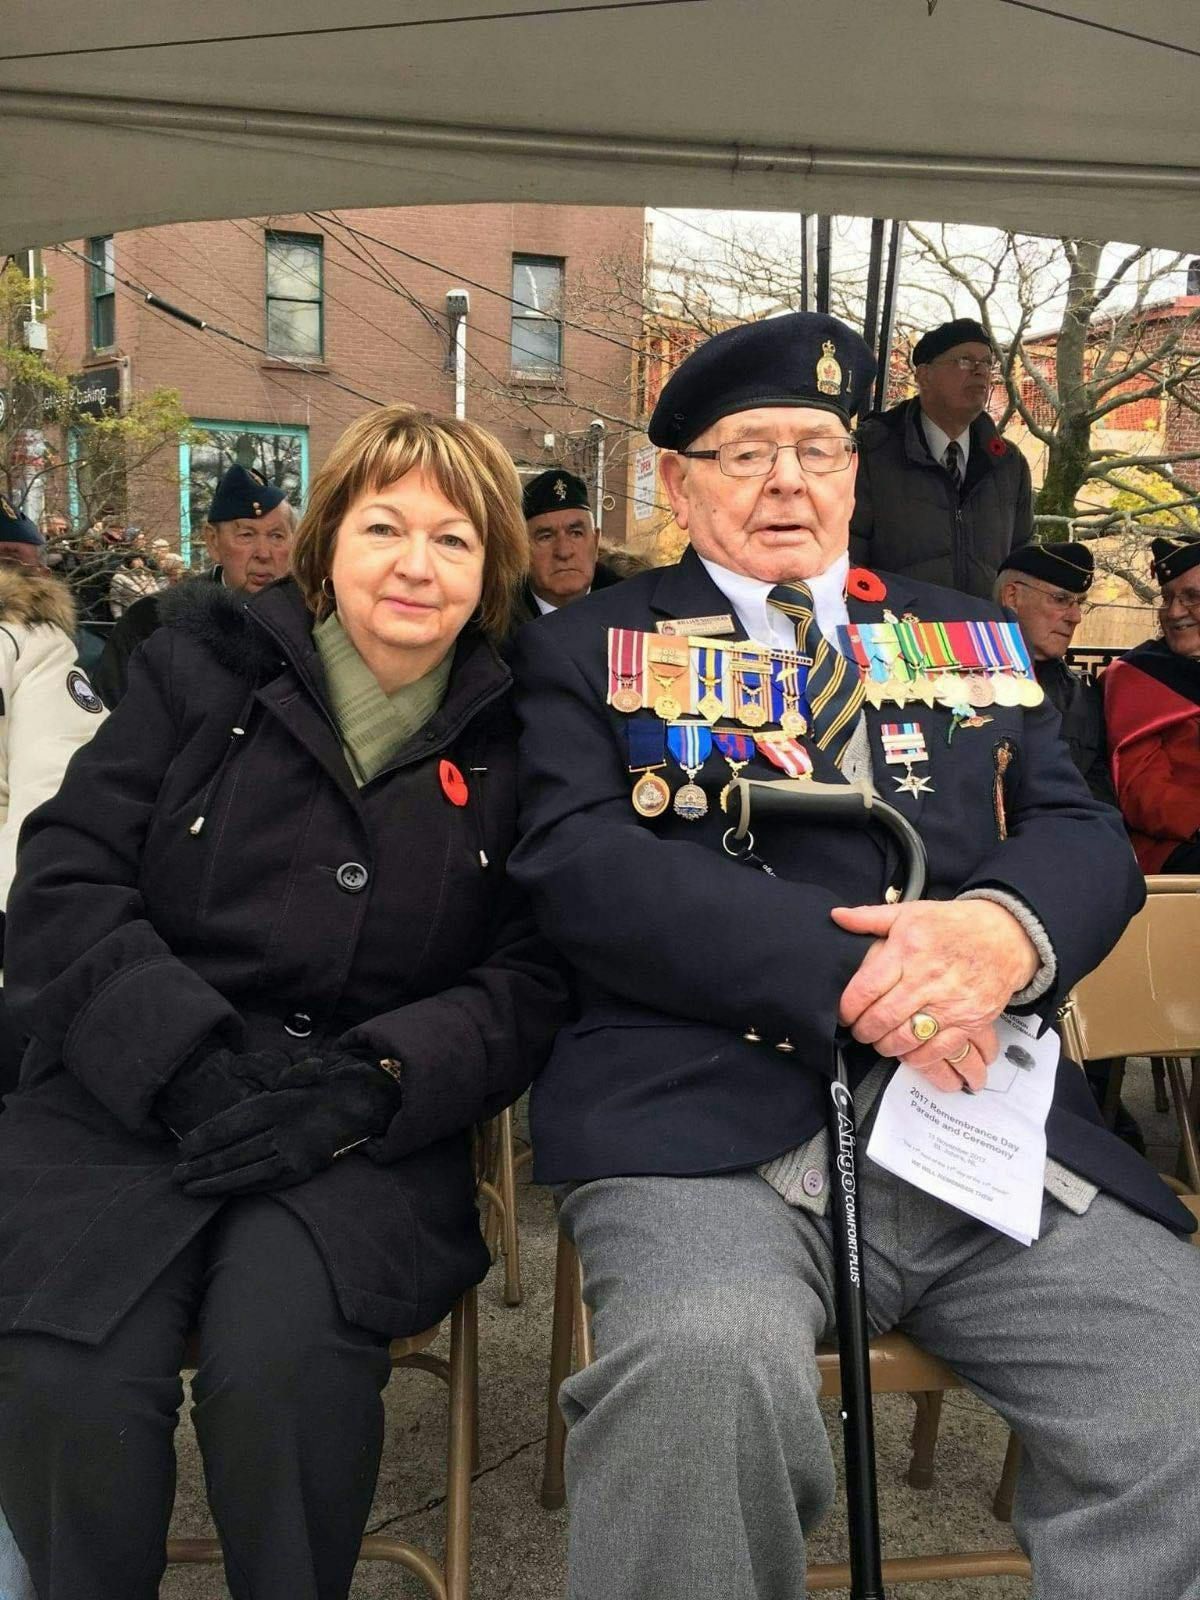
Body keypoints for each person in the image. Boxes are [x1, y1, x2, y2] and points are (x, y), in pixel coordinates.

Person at [510, 312, 1200, 1600]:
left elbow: (1085, 833)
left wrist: (997, 938)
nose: (788, 482)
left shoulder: (964, 634)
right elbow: (582, 866)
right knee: (697, 1376)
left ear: (852, 471)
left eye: (818, 450)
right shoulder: (585, 648)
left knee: (1186, 1380)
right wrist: (885, 981)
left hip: (971, 1119)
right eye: (747, 452)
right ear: (677, 482)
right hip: (709, 1128)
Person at [0, 405, 566, 1600]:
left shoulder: (525, 732)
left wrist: (380, 1081)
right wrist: (173, 1054)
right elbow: (65, 875)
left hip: (350, 1124)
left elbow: (531, 975)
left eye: (454, 539)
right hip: (124, 1091)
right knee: (70, 1376)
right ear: (324, 548)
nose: (416, 563)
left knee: (282, 1372)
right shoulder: (194, 665)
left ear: (491, 571)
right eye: (384, 526)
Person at [850, 317, 1033, 598]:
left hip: (983, 635)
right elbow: (849, 559)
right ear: (924, 375)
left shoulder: (1008, 465)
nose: (980, 371)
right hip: (898, 634)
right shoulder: (872, 453)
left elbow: (1021, 570)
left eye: (987, 363)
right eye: (964, 360)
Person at [93, 464, 296, 708]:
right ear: (213, 542)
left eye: (277, 536)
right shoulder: (151, 622)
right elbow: (110, 720)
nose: (264, 553)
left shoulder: (311, 622)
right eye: (247, 535)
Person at [1105, 534, 1200, 874]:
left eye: (1191, 598)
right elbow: (1142, 792)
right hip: (1175, 843)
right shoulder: (1139, 676)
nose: (1174, 612)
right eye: (1168, 598)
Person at [996, 540, 1116, 805]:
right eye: (1061, 599)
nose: (1075, 617)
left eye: (1079, 603)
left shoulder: (1083, 695)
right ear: (1012, 597)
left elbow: (1098, 792)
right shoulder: (964, 681)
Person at [517, 468, 623, 621]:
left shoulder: (636, 615)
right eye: (546, 537)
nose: (564, 552)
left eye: (576, 533)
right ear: (522, 549)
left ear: (595, 542)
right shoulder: (493, 630)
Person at [106, 552, 160, 618]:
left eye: (141, 559)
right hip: (131, 614)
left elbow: (157, 592)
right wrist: (118, 616)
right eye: (136, 559)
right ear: (129, 562)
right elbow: (115, 599)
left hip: (150, 612)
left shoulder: (147, 575)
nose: (140, 562)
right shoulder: (119, 577)